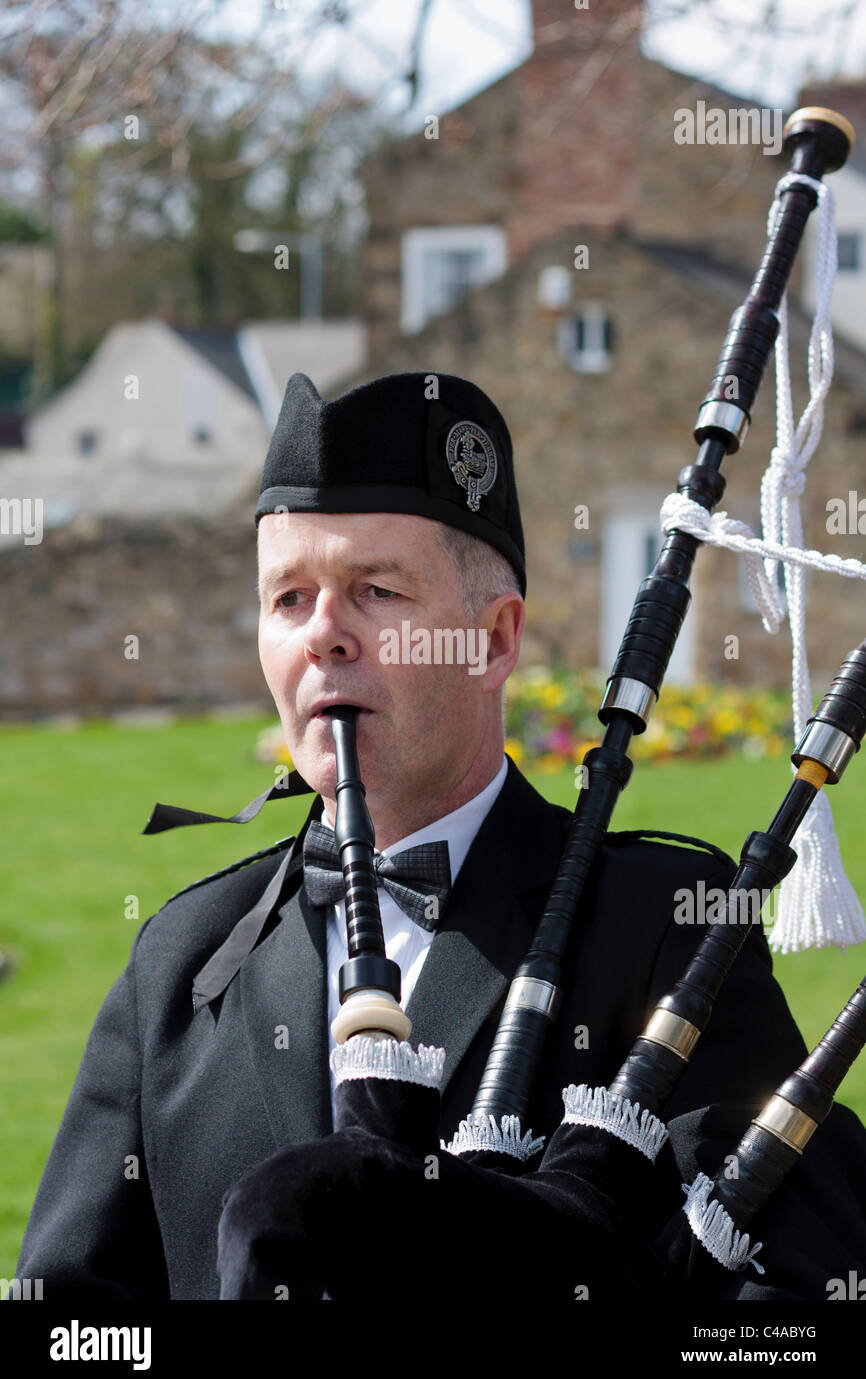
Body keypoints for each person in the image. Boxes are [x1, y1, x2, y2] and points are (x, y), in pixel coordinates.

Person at [14, 371, 866, 1301]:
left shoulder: (664, 935)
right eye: (288, 598)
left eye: (375, 591)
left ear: (494, 641)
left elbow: (797, 1313)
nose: (323, 637)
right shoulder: (180, 964)